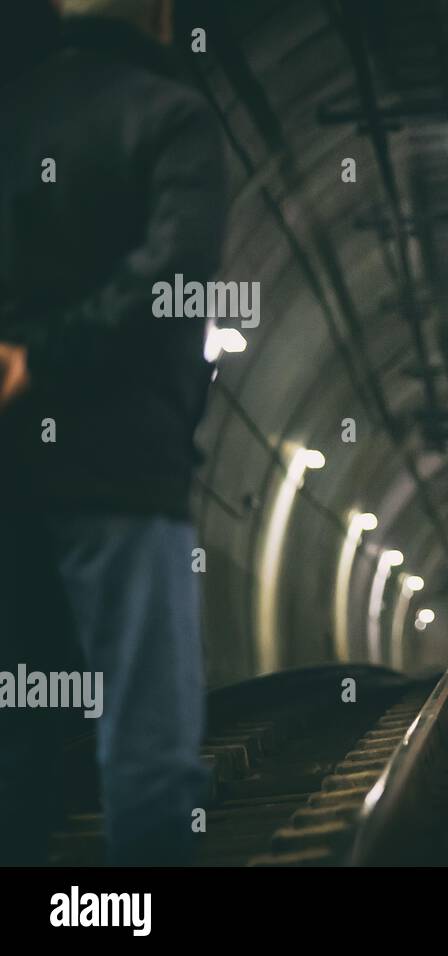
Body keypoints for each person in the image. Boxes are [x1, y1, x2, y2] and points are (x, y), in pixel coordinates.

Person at [0, 0, 227, 862]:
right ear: (163, 16)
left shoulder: (11, 111)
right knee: (145, 745)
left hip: (9, 471)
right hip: (122, 470)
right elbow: (173, 270)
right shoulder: (172, 117)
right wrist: (46, 359)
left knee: (16, 745)